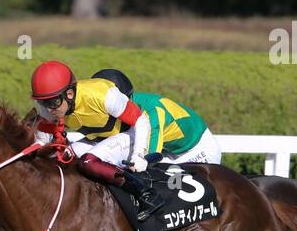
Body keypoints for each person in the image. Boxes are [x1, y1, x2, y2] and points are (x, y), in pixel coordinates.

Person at [29, 61, 220, 215]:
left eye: (52, 103)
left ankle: (147, 199)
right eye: (43, 103)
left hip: (195, 152)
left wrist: (139, 157)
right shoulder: (62, 105)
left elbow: (147, 153)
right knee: (74, 157)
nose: (48, 109)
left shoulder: (149, 114)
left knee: (152, 179)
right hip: (168, 150)